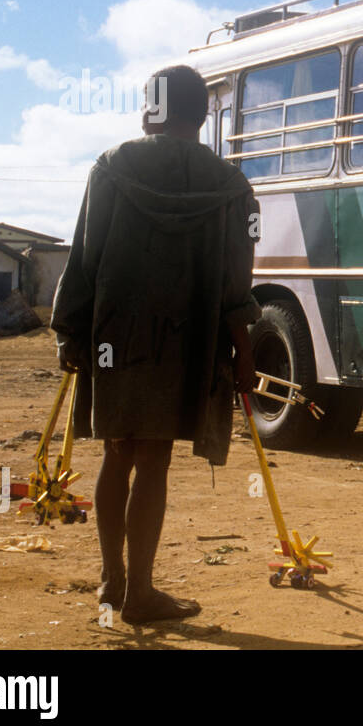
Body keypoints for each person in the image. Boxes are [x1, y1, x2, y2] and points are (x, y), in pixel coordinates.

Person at [51, 64, 260, 624]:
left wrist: (70, 330)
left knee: (117, 449)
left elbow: (85, 254)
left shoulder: (112, 167)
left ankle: (111, 583)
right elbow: (238, 280)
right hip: (184, 338)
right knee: (155, 460)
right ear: (203, 115)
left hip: (114, 335)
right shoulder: (231, 185)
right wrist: (242, 346)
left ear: (149, 111)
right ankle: (140, 593)